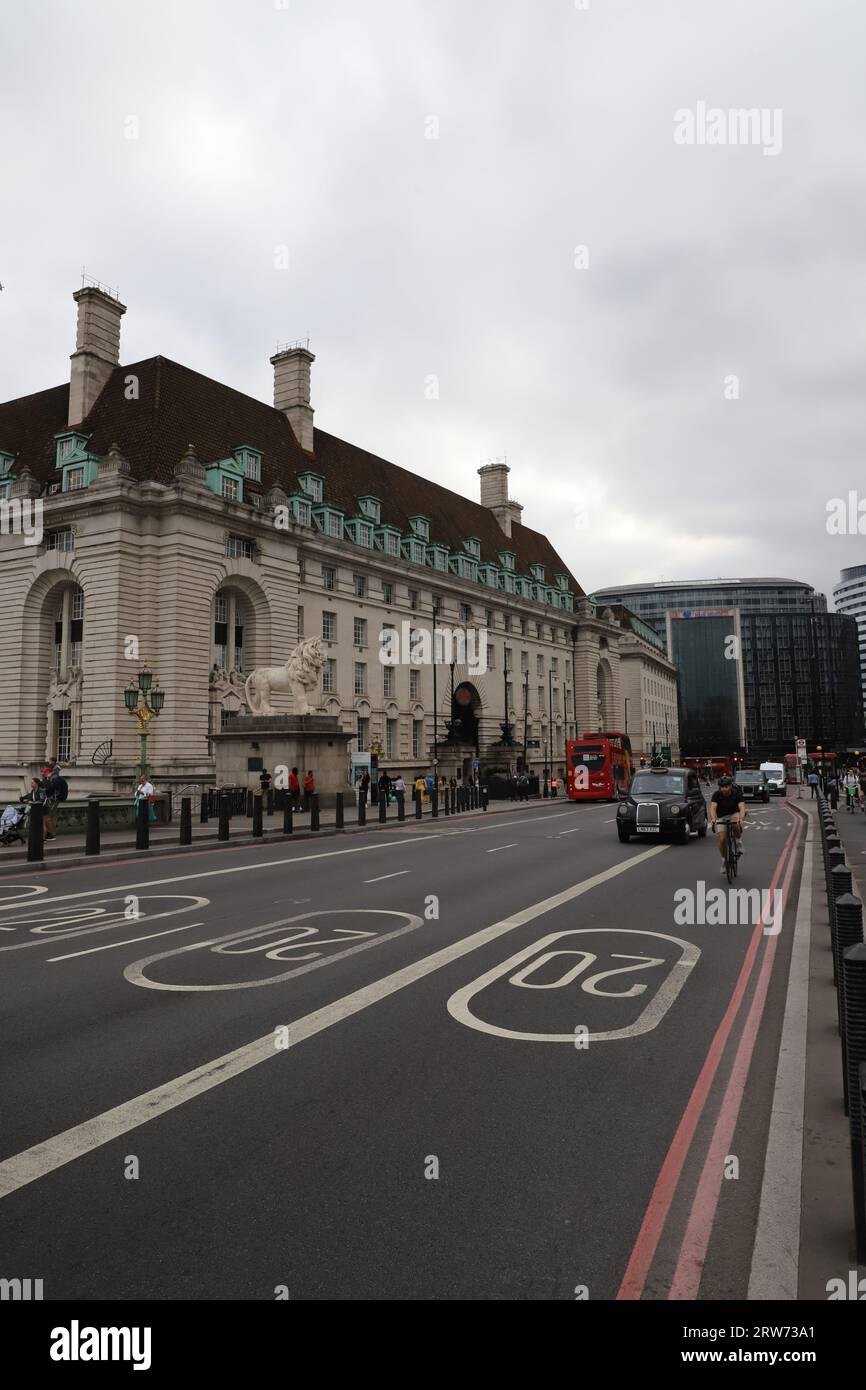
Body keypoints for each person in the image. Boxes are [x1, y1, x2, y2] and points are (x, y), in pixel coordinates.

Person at [709, 774, 746, 872]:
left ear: (730, 786)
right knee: (722, 840)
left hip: (734, 813)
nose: (724, 789)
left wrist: (741, 818)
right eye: (722, 787)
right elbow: (713, 808)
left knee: (735, 823)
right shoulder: (716, 795)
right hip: (721, 816)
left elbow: (742, 807)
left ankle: (739, 843)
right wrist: (713, 819)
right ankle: (724, 862)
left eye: (726, 786)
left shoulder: (736, 793)